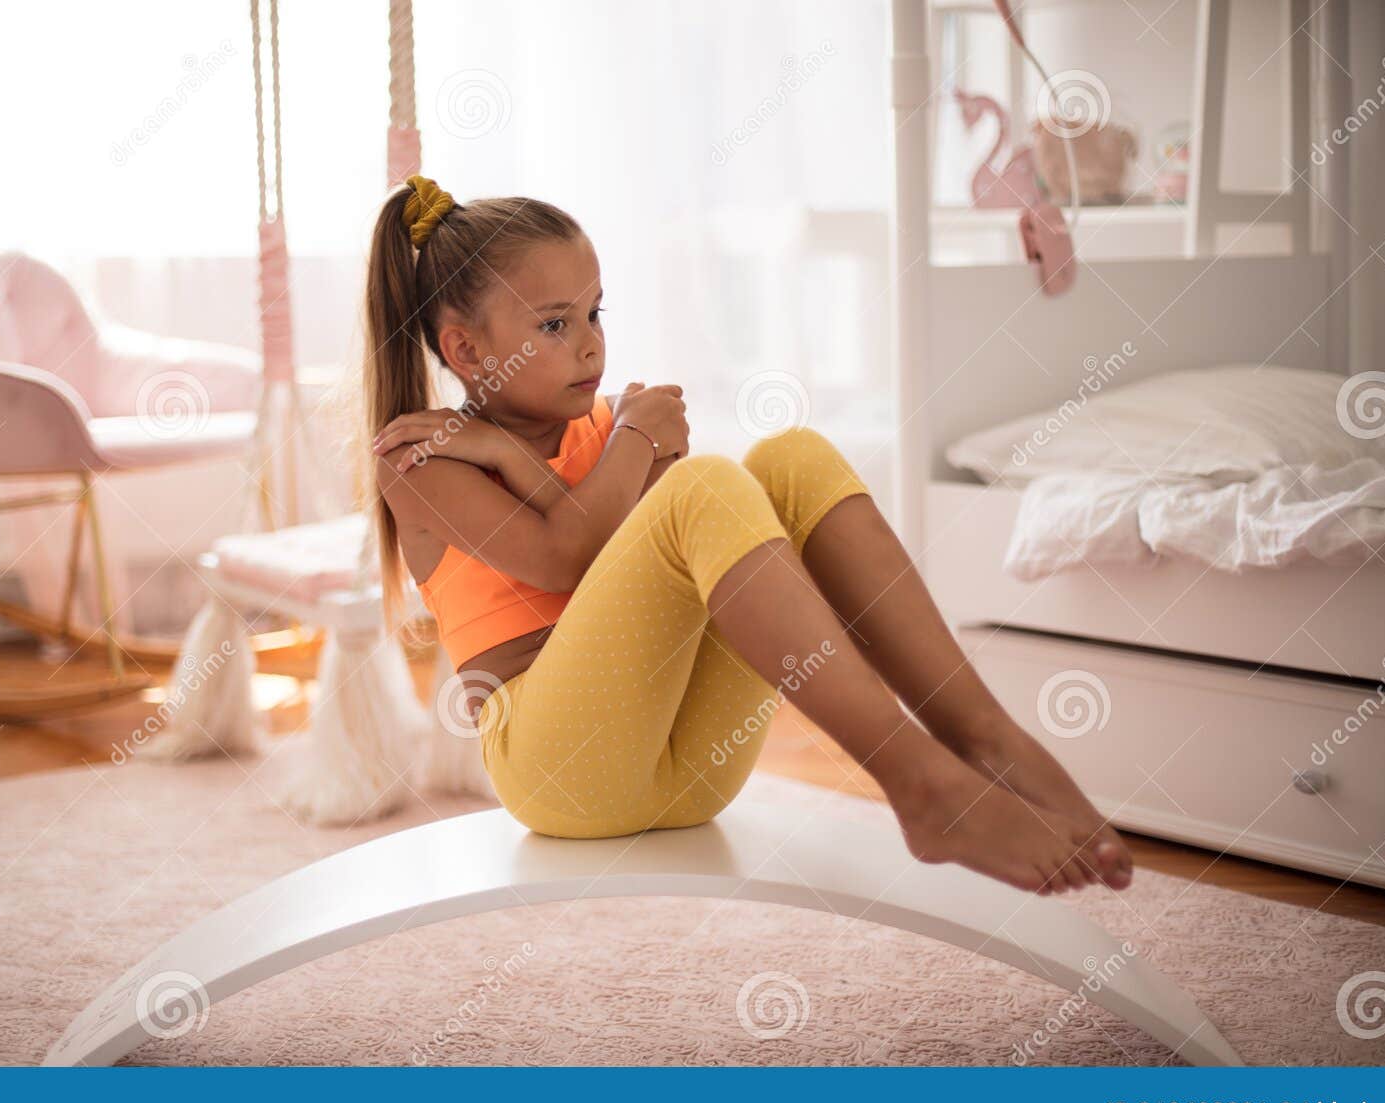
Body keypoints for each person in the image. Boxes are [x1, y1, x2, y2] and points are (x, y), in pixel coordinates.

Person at [363, 175, 1132, 895]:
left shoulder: (605, 432)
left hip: (691, 769)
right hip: (562, 772)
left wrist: (592, 447)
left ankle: (981, 736)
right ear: (465, 350)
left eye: (596, 313)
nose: (591, 345)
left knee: (787, 458)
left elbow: (666, 575)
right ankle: (917, 781)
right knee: (706, 484)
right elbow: (566, 555)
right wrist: (579, 445)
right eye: (556, 325)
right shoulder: (422, 458)